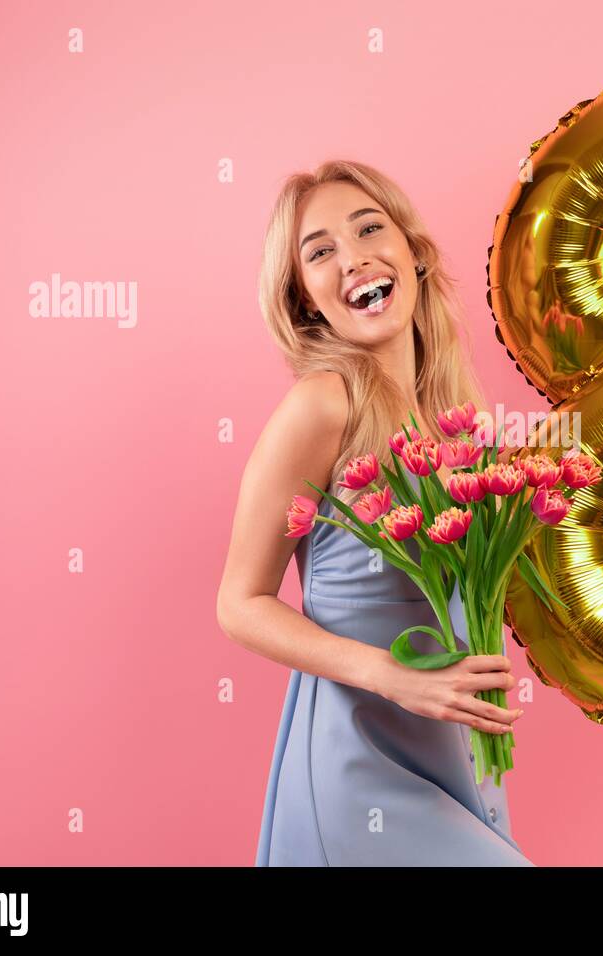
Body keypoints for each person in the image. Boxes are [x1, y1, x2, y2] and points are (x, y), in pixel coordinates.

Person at [216, 159, 532, 866]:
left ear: (414, 255)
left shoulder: (459, 415)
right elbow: (239, 602)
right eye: (320, 251)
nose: (352, 258)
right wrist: (391, 676)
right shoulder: (323, 404)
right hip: (359, 762)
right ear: (305, 300)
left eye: (368, 229)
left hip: (458, 755)